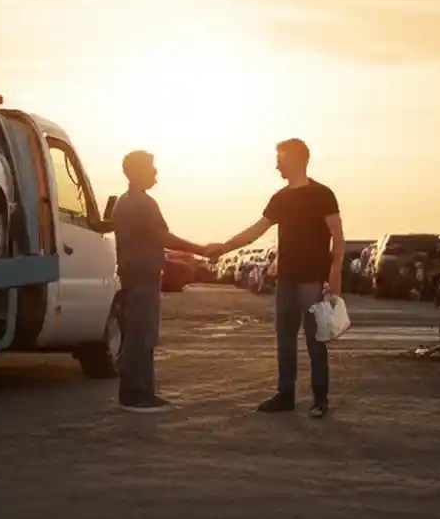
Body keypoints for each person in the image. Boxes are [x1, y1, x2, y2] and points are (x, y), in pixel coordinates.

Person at [207, 139, 345, 419]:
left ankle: (320, 399)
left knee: (315, 339)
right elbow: (255, 231)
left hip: (311, 280)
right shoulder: (280, 198)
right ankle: (285, 395)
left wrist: (335, 274)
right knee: (285, 338)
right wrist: (223, 248)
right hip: (287, 279)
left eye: (281, 158)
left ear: (296, 158)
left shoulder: (323, 194)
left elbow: (338, 237)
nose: (277, 164)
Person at [111, 150, 209, 413]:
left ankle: (137, 392)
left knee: (136, 333)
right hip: (142, 276)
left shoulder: (125, 202)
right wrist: (202, 249)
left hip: (134, 274)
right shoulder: (143, 204)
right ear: (136, 171)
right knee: (141, 335)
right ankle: (137, 395)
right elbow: (162, 237)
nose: (155, 173)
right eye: (150, 167)